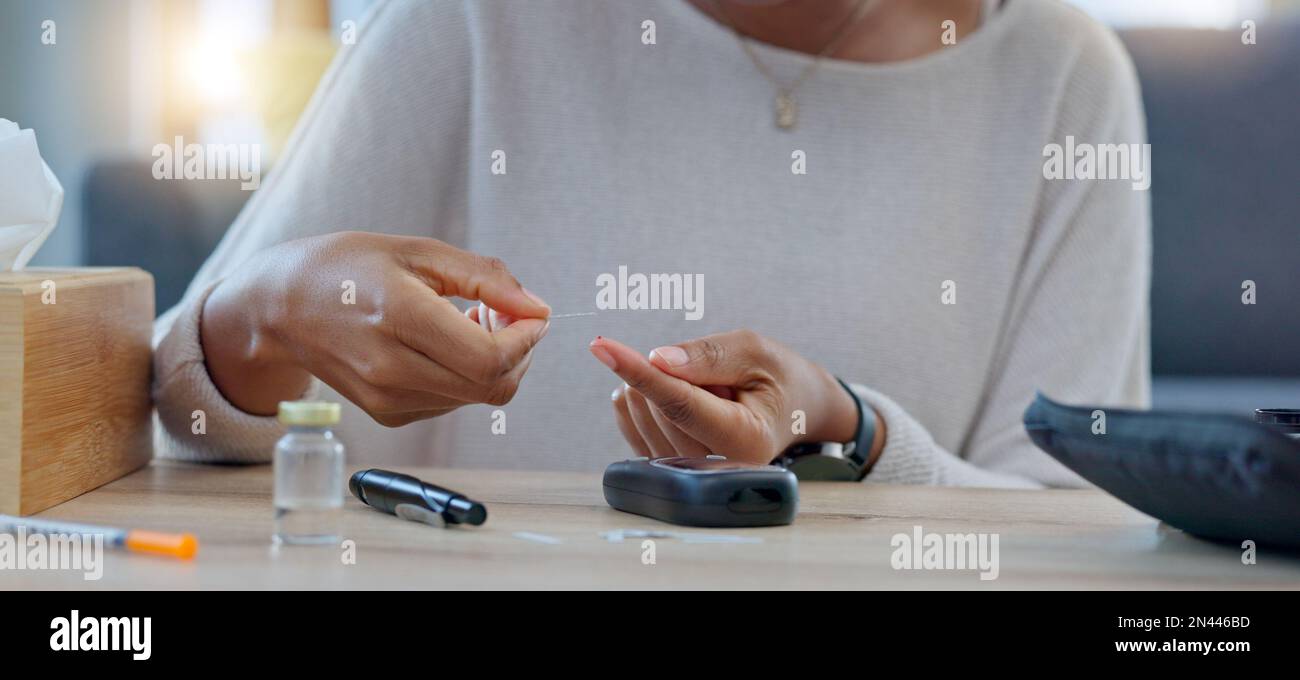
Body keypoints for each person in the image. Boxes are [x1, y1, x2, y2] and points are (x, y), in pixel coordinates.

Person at [153, 0, 1150, 487]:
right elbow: (160, 419)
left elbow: (1078, 528)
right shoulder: (471, 22)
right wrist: (269, 314)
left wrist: (853, 435)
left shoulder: (1064, 79)